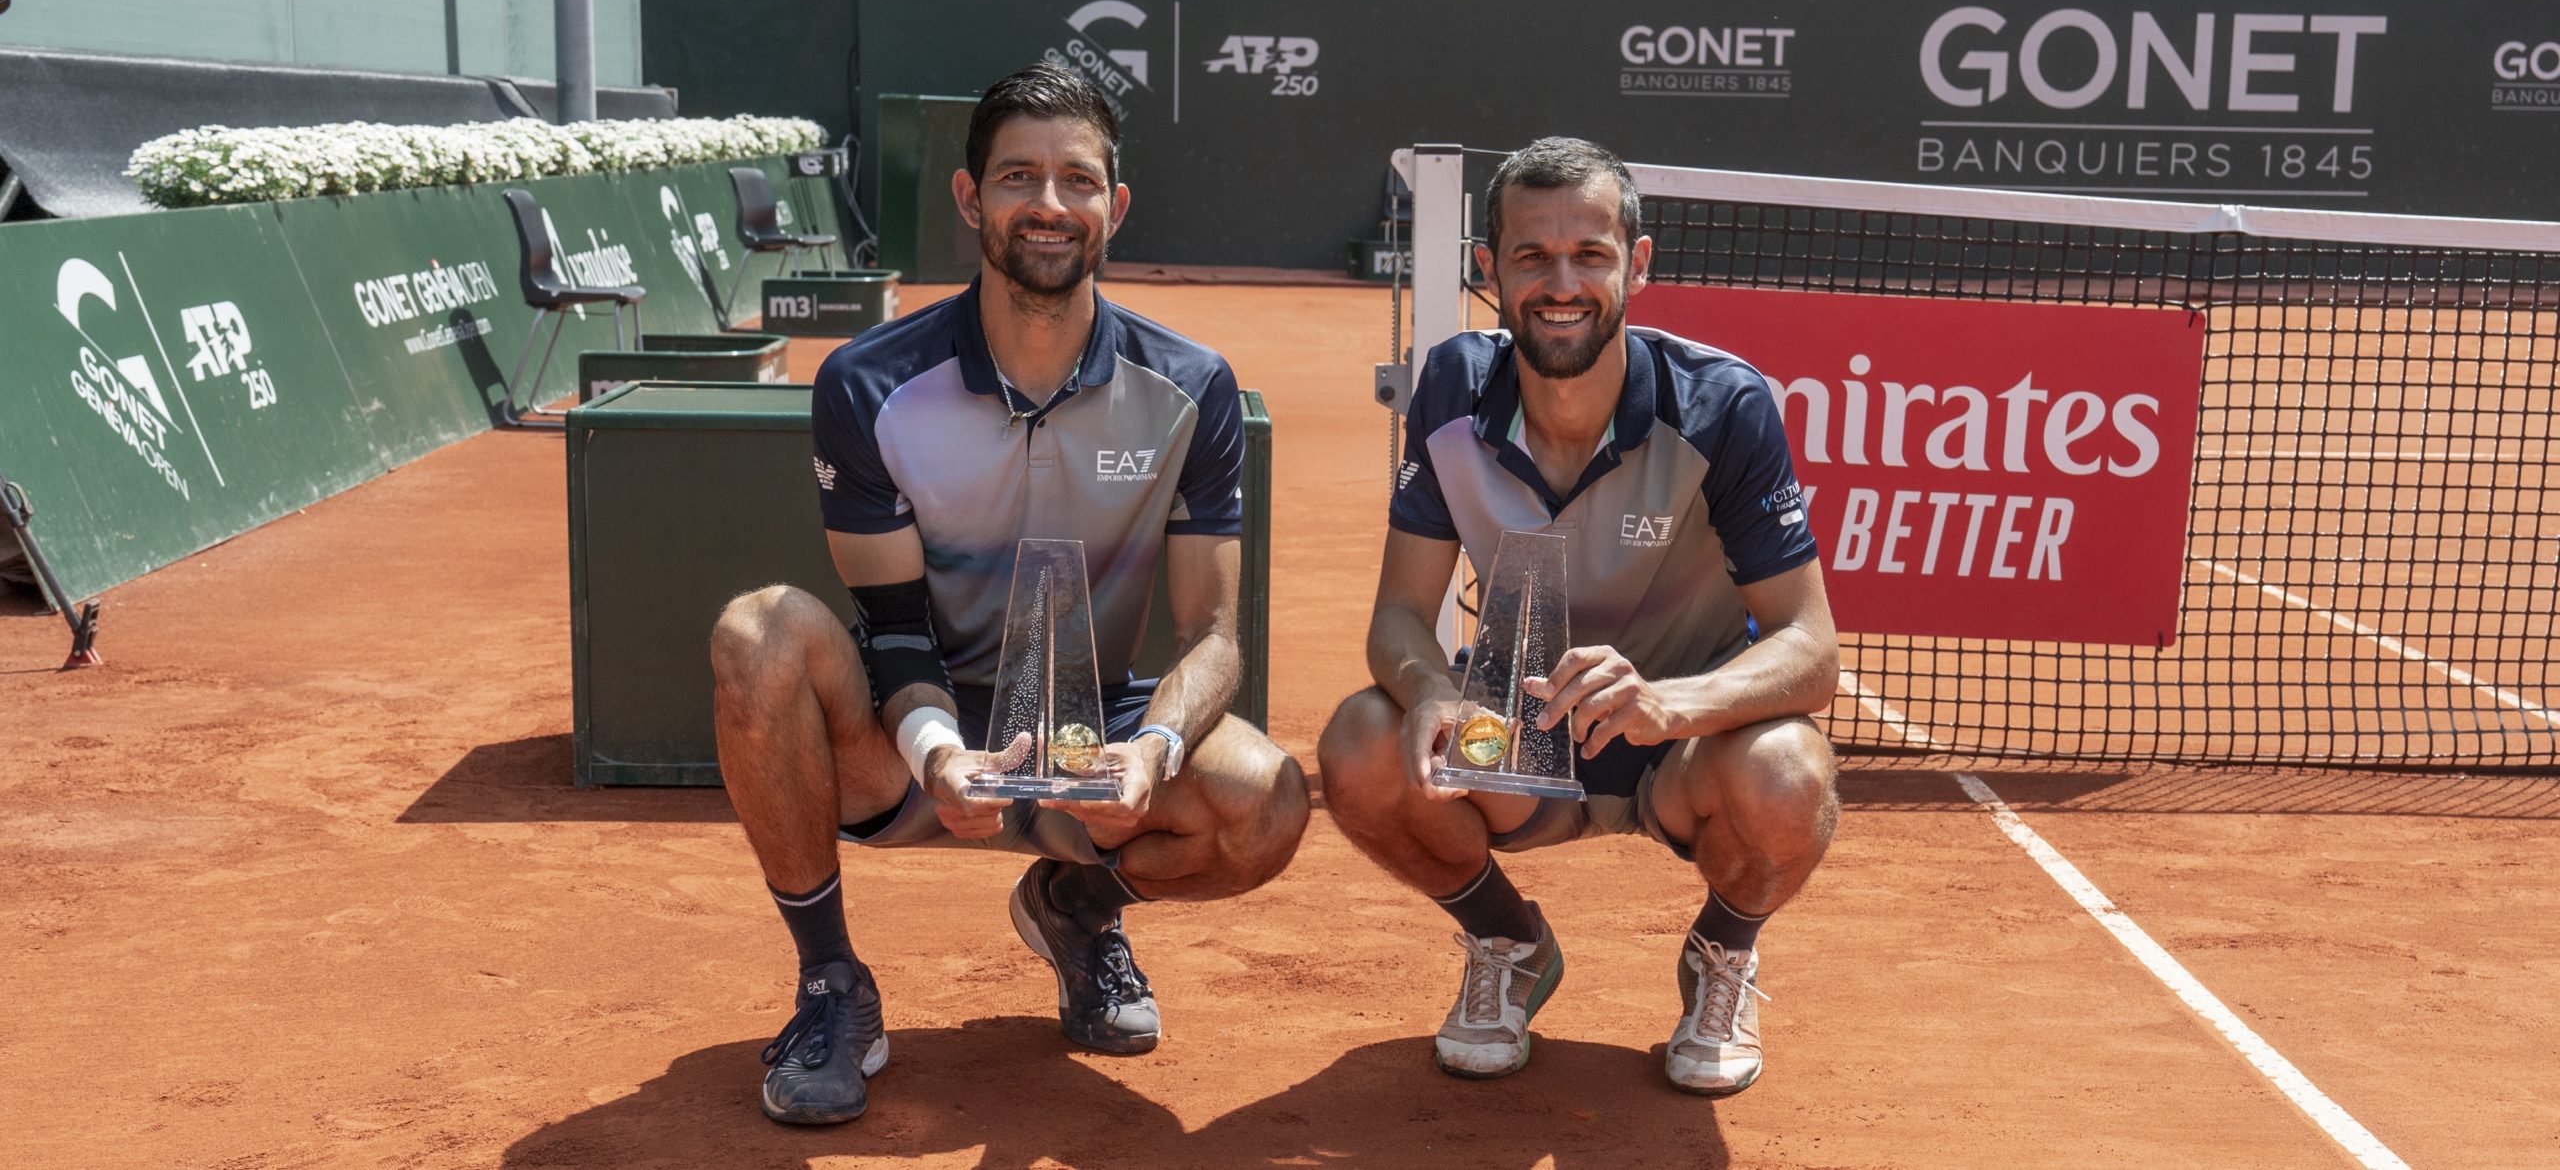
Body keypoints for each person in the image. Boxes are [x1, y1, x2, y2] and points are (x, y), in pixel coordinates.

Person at [708, 61, 1308, 1126]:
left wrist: (1153, 750)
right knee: (758, 631)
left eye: (1076, 180)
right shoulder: (868, 381)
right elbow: (891, 628)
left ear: (1113, 207)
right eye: (1018, 176)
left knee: (1267, 801)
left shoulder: (1193, 386)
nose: (1047, 203)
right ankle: (831, 984)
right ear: (970, 197)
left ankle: (1077, 907)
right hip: (913, 731)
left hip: (1096, 735)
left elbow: (1213, 632)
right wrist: (940, 754)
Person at [1316, 137, 1840, 1096]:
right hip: (1514, 746)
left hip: (1686, 752)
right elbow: (1398, 613)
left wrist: (1670, 704)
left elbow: (1811, 652)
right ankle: (1506, 940)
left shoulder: (1725, 405)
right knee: (1360, 738)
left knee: (1789, 772)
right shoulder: (1446, 389)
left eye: (1590, 255)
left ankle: (1723, 953)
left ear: (1636, 263)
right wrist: (1431, 688)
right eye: (1532, 256)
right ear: (1491, 269)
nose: (1563, 284)